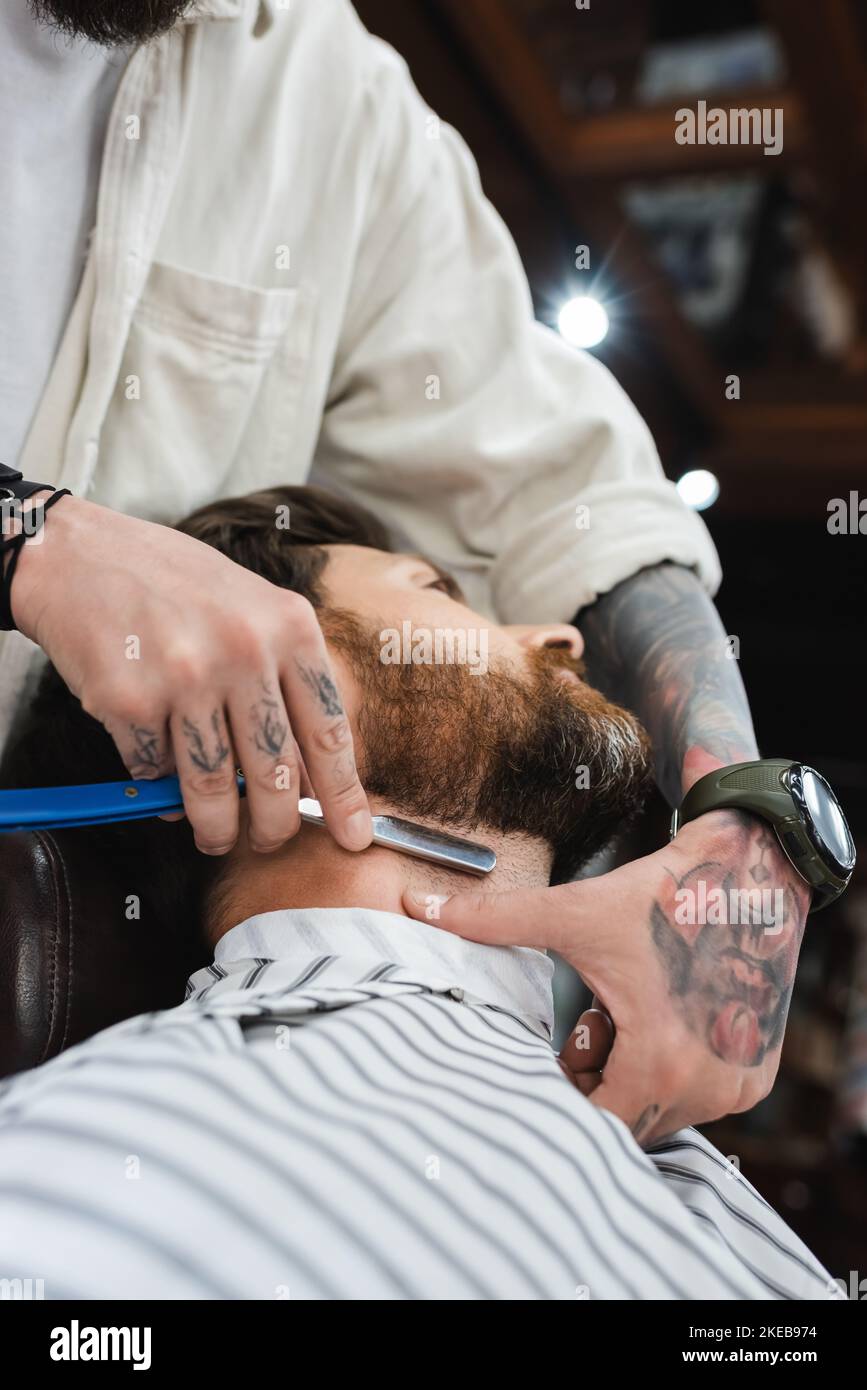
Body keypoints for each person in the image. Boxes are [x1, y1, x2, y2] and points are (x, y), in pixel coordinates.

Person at [0, 0, 826, 1151]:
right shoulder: (95, 1178)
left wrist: (741, 826)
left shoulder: (320, 88)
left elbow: (560, 494)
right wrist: (23, 533)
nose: (560, 638)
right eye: (438, 592)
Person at [0, 485, 842, 1300]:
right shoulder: (135, 1148)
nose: (562, 636)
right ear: (237, 675)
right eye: (438, 591)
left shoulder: (648, 1123)